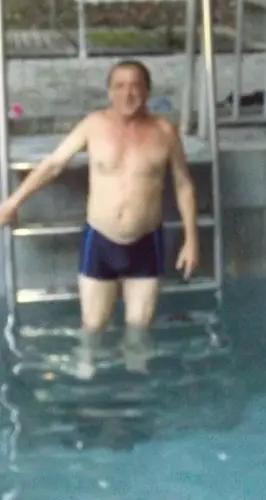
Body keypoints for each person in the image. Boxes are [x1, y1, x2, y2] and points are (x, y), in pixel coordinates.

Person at [0, 60, 199, 379]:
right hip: (101, 241)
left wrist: (192, 239)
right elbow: (53, 165)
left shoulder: (165, 132)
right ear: (109, 92)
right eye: (120, 86)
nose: (128, 93)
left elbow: (183, 184)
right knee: (92, 328)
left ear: (147, 91)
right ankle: (85, 389)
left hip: (146, 242)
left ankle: (135, 389)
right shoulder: (94, 125)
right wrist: (13, 202)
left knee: (139, 332)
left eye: (135, 85)